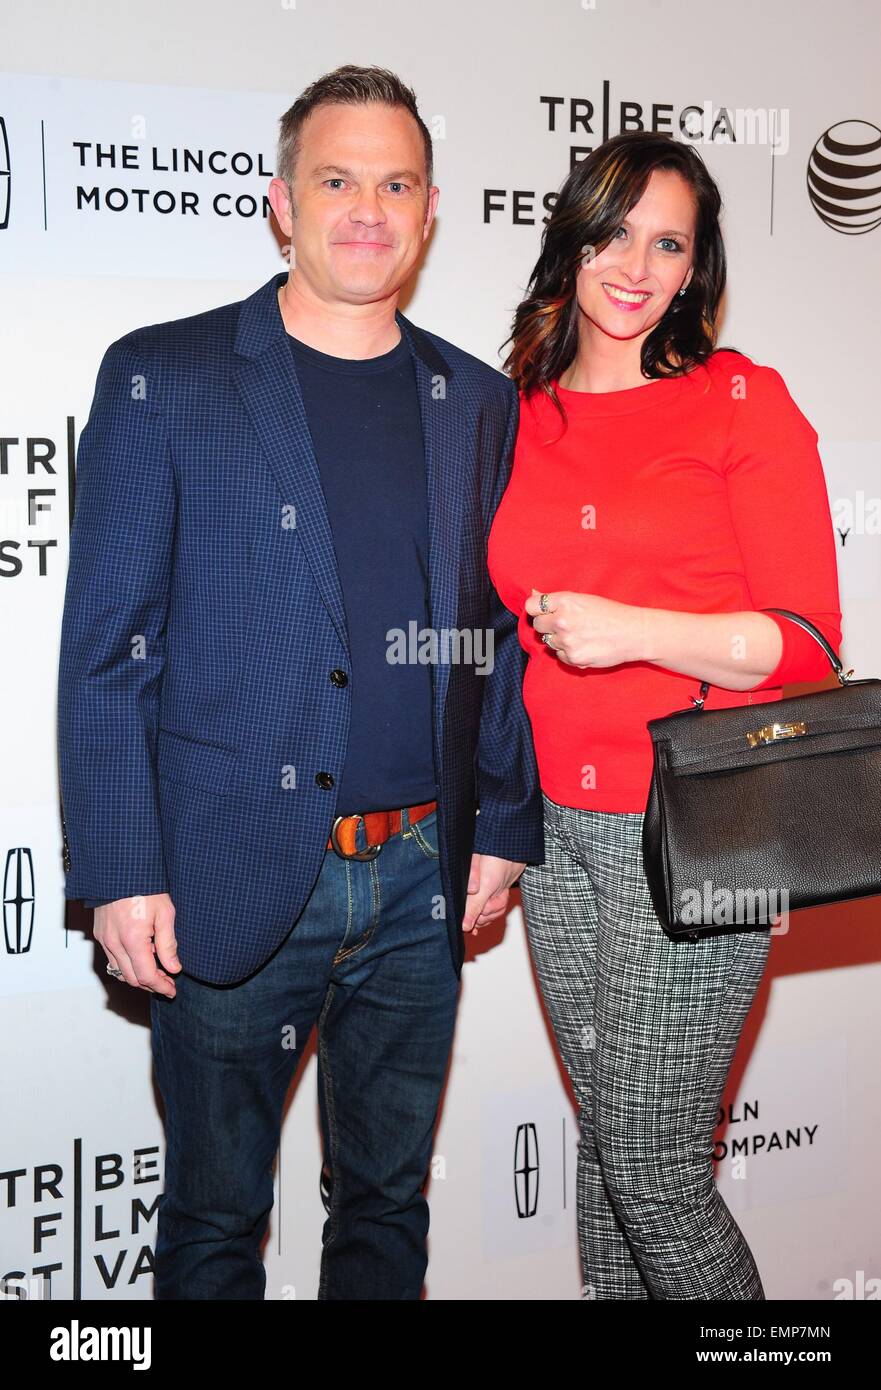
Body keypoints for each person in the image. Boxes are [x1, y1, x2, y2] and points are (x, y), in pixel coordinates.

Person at [57, 63, 543, 1301]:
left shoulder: (477, 403)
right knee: (216, 1220)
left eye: (394, 183)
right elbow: (111, 646)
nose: (366, 209)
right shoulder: (162, 376)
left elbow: (486, 632)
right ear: (282, 201)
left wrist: (498, 819)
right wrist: (120, 868)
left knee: (385, 1204)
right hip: (225, 867)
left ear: (431, 210)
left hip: (420, 878)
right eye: (337, 180)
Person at [487, 130, 841, 1299]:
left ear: (694, 266)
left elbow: (807, 644)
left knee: (650, 1169)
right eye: (612, 232)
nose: (635, 265)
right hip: (552, 832)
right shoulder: (516, 411)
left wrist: (640, 628)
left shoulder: (740, 402)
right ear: (570, 242)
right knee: (604, 1153)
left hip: (691, 828)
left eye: (667, 241)